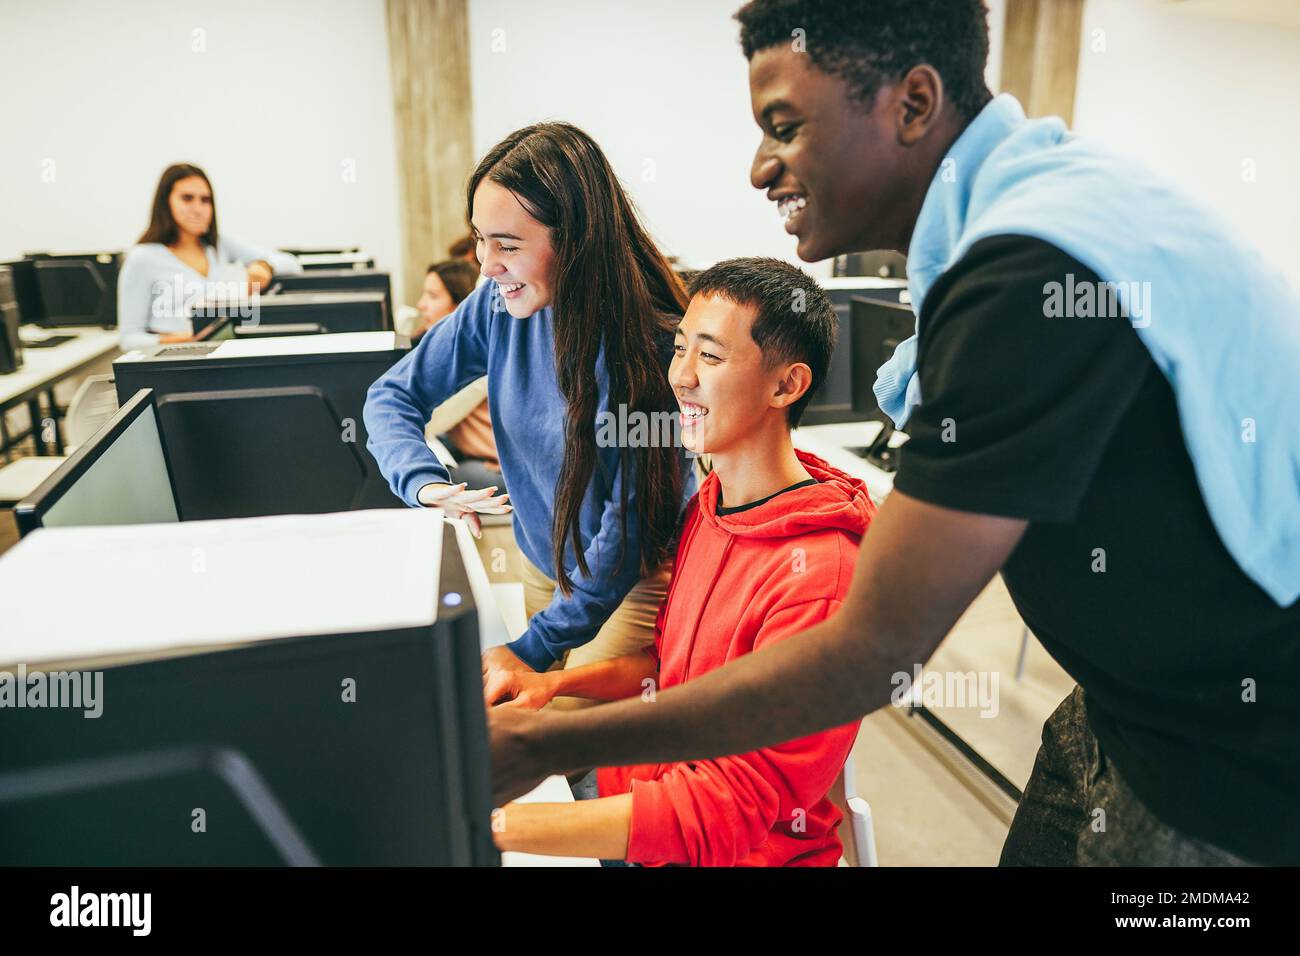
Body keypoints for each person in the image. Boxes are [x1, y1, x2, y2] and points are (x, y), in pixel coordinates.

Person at [489, 0, 1300, 867]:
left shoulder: (1032, 269)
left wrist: (541, 746)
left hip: (1231, 758)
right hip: (1118, 704)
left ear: (913, 104)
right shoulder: (1029, 211)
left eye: (785, 126)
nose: (762, 168)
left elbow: (872, 651)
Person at [486, 257, 872, 866]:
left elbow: (728, 808)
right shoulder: (712, 505)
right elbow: (667, 668)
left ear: (786, 386)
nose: (680, 377)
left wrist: (495, 826)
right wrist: (550, 685)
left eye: (711, 357)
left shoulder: (820, 578)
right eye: (678, 349)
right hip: (642, 801)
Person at [365, 122, 696, 692]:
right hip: (544, 561)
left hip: (627, 582)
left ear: (575, 239)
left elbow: (627, 536)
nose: (486, 263)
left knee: (547, 744)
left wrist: (535, 647)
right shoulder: (496, 305)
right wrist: (424, 483)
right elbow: (391, 395)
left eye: (507, 245)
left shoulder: (648, 340)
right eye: (479, 239)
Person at [116, 163, 300, 350]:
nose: (198, 208)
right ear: (166, 202)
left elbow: (292, 263)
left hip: (222, 350)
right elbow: (129, 339)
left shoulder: (218, 246)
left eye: (205, 200)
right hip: (175, 360)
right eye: (187, 199)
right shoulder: (143, 258)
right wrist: (181, 340)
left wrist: (263, 266)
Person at [401, 259, 502, 491]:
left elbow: (428, 423)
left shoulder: (473, 358)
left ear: (460, 308)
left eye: (433, 296)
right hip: (481, 452)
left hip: (507, 469)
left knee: (437, 480)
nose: (421, 305)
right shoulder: (442, 348)